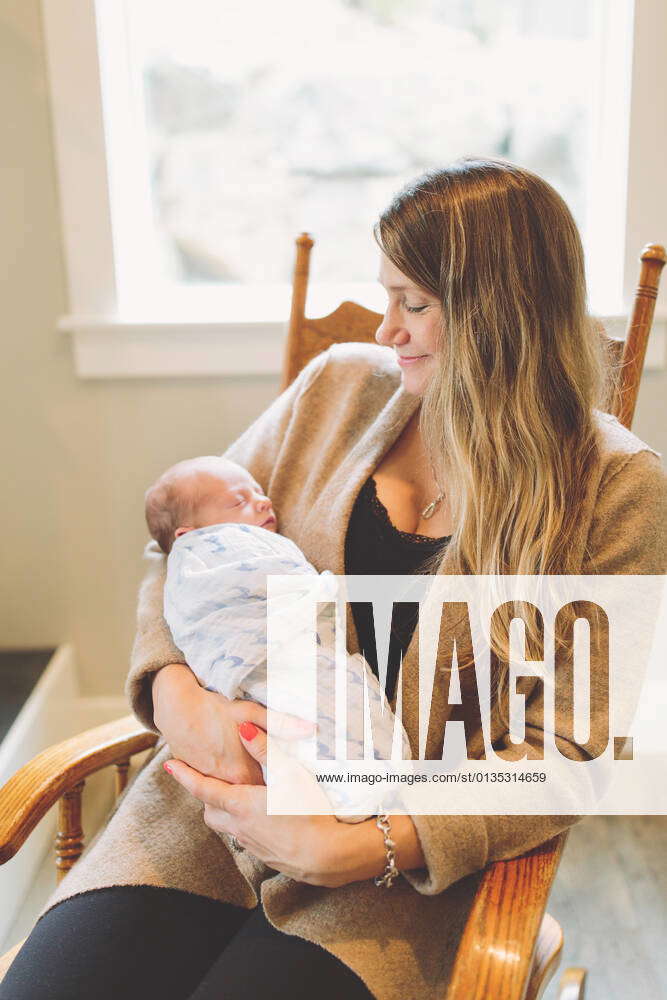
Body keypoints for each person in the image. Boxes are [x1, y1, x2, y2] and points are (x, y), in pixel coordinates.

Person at [2, 157, 665, 1000]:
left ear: (504, 318)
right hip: (206, 821)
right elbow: (182, 549)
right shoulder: (336, 389)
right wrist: (182, 701)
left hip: (398, 870)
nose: (386, 329)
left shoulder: (615, 489)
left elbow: (568, 747)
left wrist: (357, 845)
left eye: (414, 305)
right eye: (385, 295)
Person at [145, 454, 410, 819]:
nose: (264, 501)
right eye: (240, 502)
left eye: (259, 493)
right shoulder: (207, 552)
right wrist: (172, 691)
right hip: (244, 696)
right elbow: (176, 584)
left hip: (376, 840)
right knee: (300, 724)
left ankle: (355, 798)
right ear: (190, 537)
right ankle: (350, 792)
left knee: (334, 716)